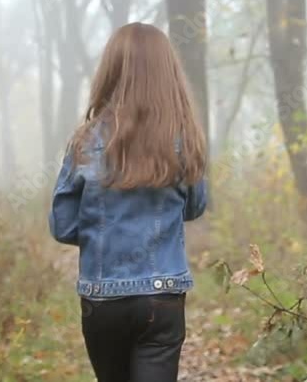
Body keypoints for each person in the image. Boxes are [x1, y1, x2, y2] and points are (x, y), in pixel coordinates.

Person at [49, 22, 209, 382]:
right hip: (162, 297)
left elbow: (63, 225)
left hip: (102, 299)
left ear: (110, 71)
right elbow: (195, 206)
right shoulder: (182, 137)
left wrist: (104, 229)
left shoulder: (86, 141)